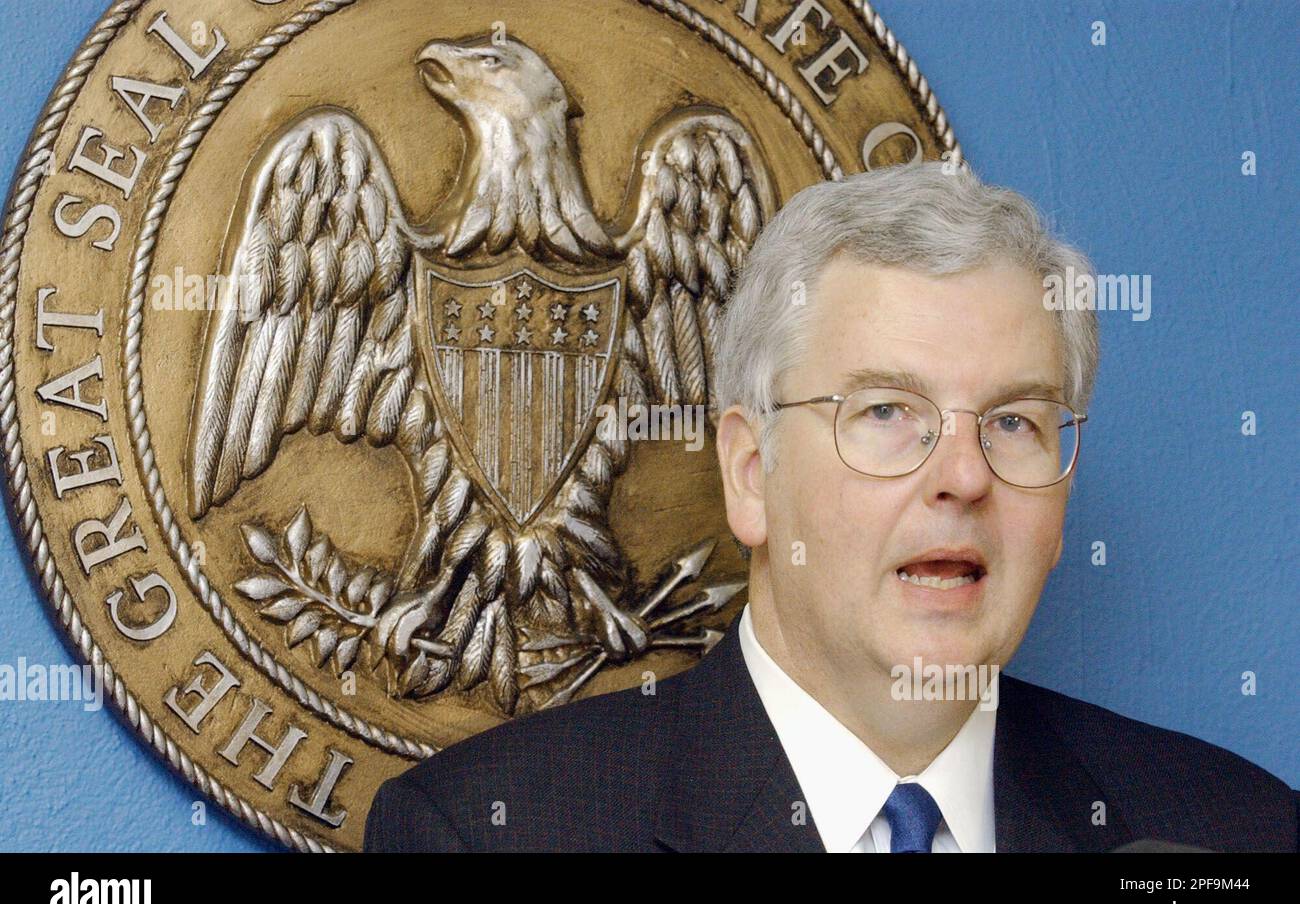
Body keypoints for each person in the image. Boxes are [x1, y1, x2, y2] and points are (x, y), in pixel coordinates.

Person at [364, 161, 1298, 852]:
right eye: (887, 412)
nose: (964, 476)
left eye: (1014, 422)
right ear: (750, 474)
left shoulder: (1234, 835)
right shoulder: (489, 834)